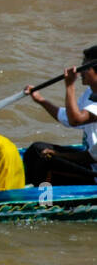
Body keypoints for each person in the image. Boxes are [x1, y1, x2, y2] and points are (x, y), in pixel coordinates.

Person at [22, 48, 97, 185]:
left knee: (44, 160)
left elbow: (75, 120)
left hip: (94, 169)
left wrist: (70, 86)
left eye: (85, 67)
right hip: (90, 157)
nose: (79, 72)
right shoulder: (89, 93)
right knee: (36, 149)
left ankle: (41, 200)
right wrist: (40, 100)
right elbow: (68, 118)